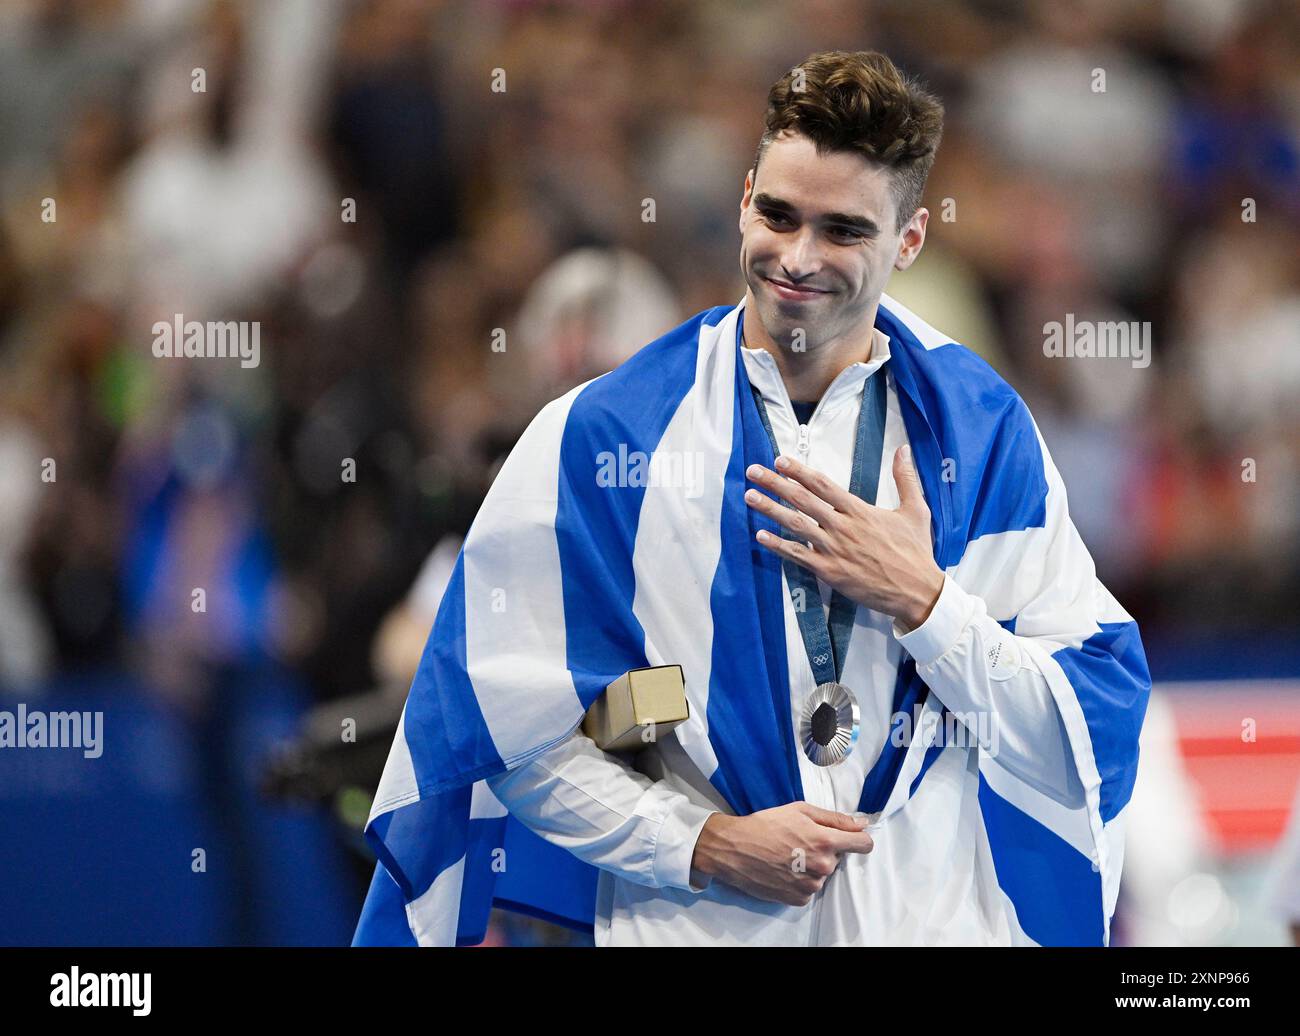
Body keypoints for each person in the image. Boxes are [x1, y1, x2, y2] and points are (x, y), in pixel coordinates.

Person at [353, 49, 1150, 947]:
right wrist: (700, 843)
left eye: (845, 230)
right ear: (743, 200)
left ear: (911, 240)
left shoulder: (981, 434)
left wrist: (929, 608)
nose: (798, 259)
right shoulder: (607, 436)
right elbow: (502, 733)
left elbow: (1090, 731)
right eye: (778, 214)